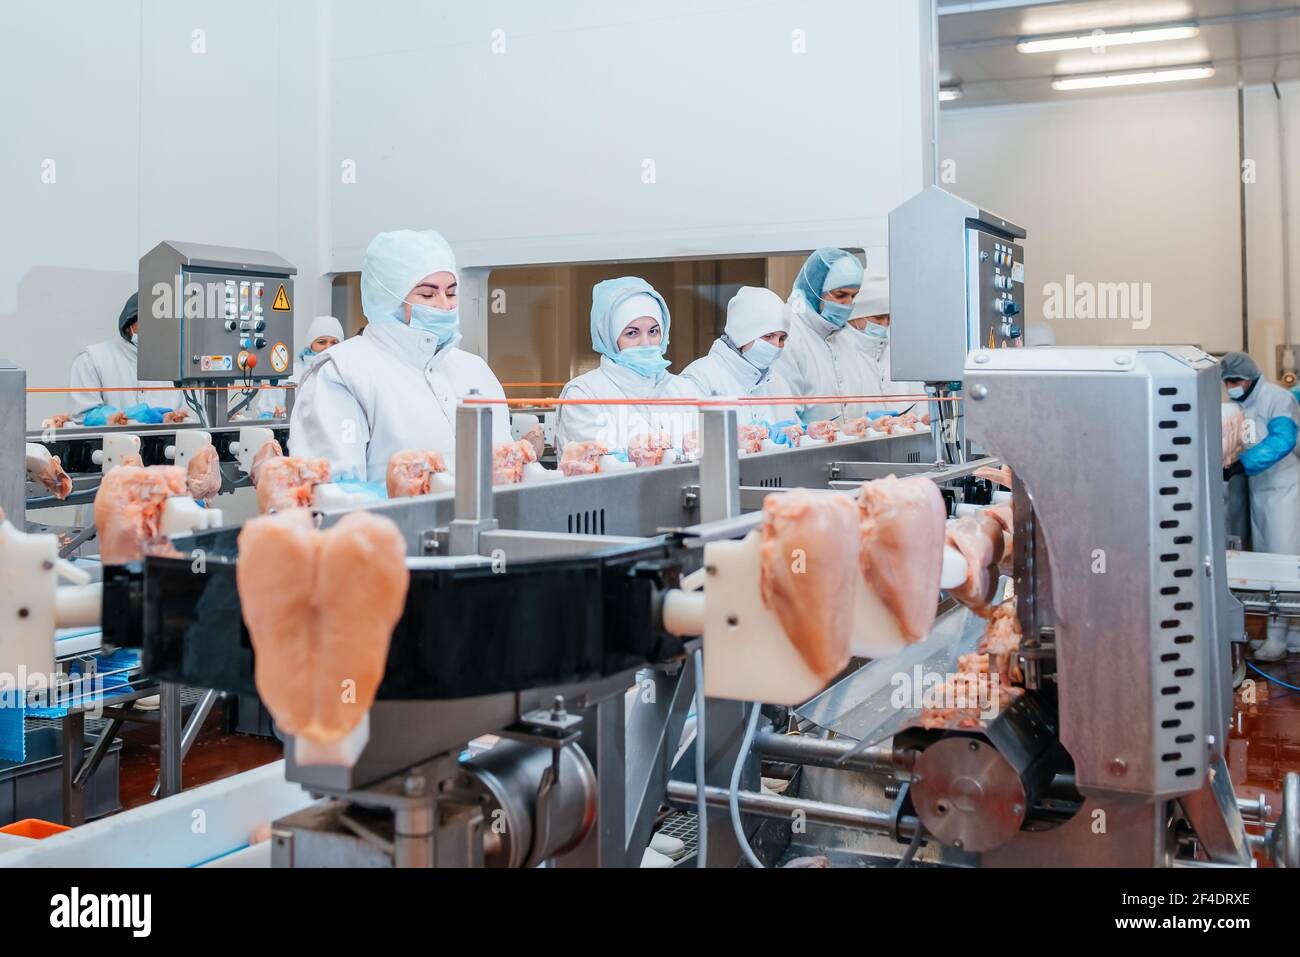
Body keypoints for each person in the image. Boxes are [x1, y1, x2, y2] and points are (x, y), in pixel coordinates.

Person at [289, 229, 509, 484]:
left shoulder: (475, 370)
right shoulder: (343, 373)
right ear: (387, 298)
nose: (445, 305)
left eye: (450, 293)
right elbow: (332, 492)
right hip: (391, 524)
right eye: (427, 294)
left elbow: (505, 466)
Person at [1221, 351, 1300, 660]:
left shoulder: (1277, 399)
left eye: (1236, 381)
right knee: (1267, 562)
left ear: (1251, 378)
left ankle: (1279, 639)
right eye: (1227, 382)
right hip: (1260, 492)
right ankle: (1284, 634)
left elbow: (1283, 440)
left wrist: (1243, 464)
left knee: (1283, 563)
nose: (1231, 386)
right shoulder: (1241, 405)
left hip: (1283, 490)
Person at [680, 286, 796, 426]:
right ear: (742, 335)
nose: (776, 345)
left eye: (782, 338)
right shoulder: (699, 379)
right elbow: (690, 440)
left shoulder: (779, 384)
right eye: (768, 336)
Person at [781, 248, 872, 422]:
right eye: (841, 295)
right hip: (810, 447)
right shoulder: (788, 335)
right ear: (813, 290)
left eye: (854, 295)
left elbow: (853, 401)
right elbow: (787, 415)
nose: (848, 304)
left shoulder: (845, 337)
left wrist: (867, 422)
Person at [68, 292, 186, 425]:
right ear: (129, 322)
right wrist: (131, 416)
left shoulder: (176, 364)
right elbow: (83, 416)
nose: (157, 330)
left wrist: (175, 418)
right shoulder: (92, 359)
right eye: (150, 322)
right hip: (110, 444)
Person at [845, 272, 924, 416]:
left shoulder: (894, 352)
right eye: (878, 317)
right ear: (854, 316)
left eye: (889, 318)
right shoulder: (842, 354)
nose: (885, 324)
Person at [251, 315, 344, 418]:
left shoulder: (345, 376)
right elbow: (265, 413)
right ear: (311, 344)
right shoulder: (289, 375)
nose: (328, 347)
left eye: (334, 343)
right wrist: (276, 416)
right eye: (321, 342)